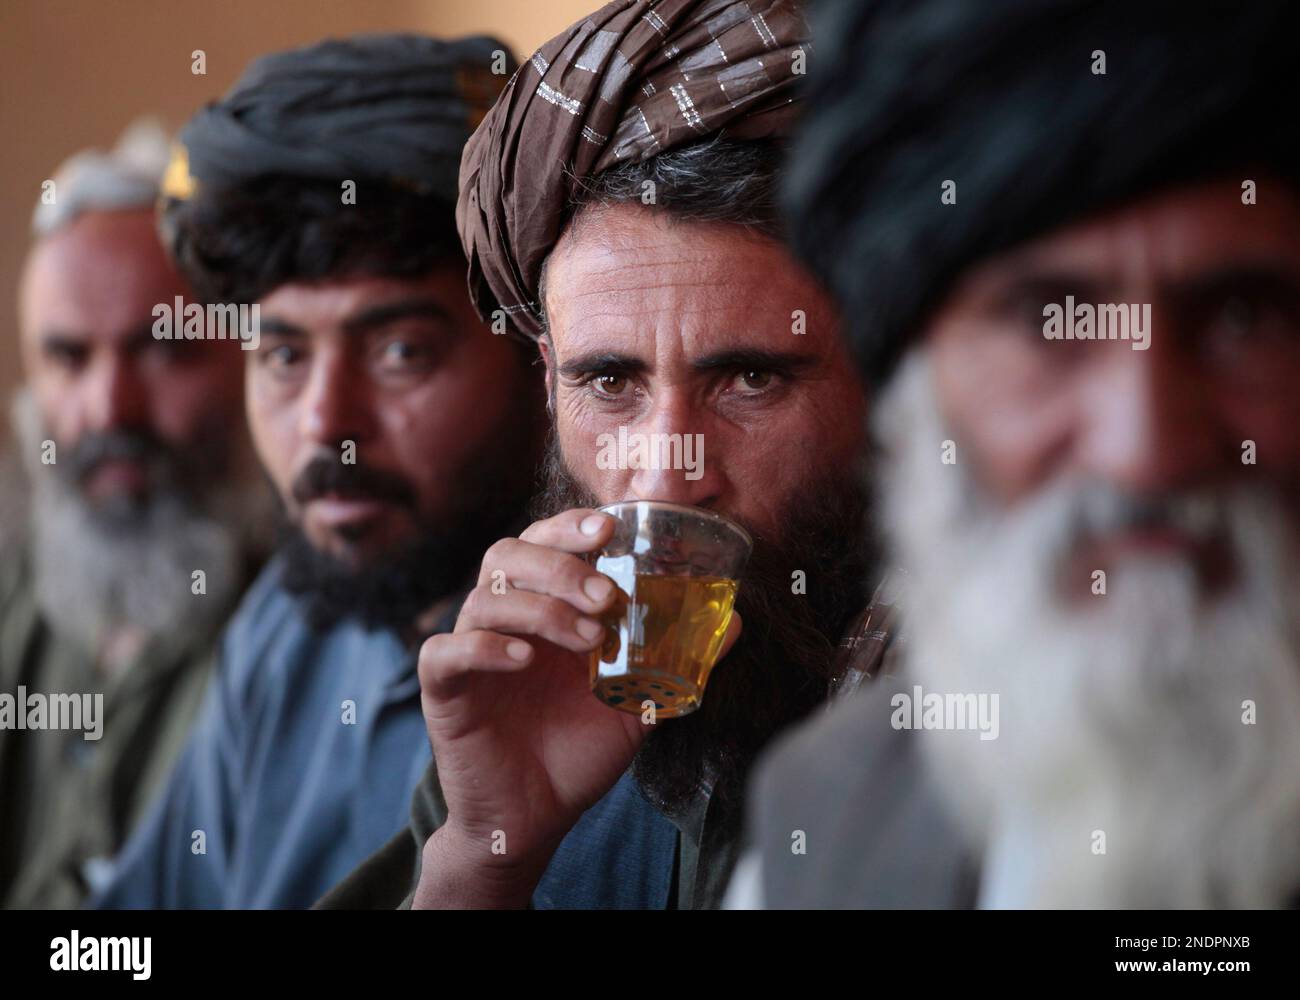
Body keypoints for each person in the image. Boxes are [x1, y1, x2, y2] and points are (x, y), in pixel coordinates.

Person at [734, 0, 1300, 908]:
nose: (1145, 453)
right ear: (921, 386)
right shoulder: (826, 819)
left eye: (1243, 320)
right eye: (1050, 323)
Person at [318, 0, 881, 911]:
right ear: (547, 380)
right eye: (611, 383)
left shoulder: (987, 733)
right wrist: (482, 857)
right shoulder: (525, 689)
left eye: (749, 380)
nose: (665, 473)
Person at [91, 33, 544, 909]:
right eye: (283, 355)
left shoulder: (624, 690)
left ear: (538, 356)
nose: (326, 426)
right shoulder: (288, 631)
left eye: (403, 350)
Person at [0, 120, 267, 908]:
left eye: (161, 347)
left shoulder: (308, 630)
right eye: (69, 358)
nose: (109, 406)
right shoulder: (18, 598)